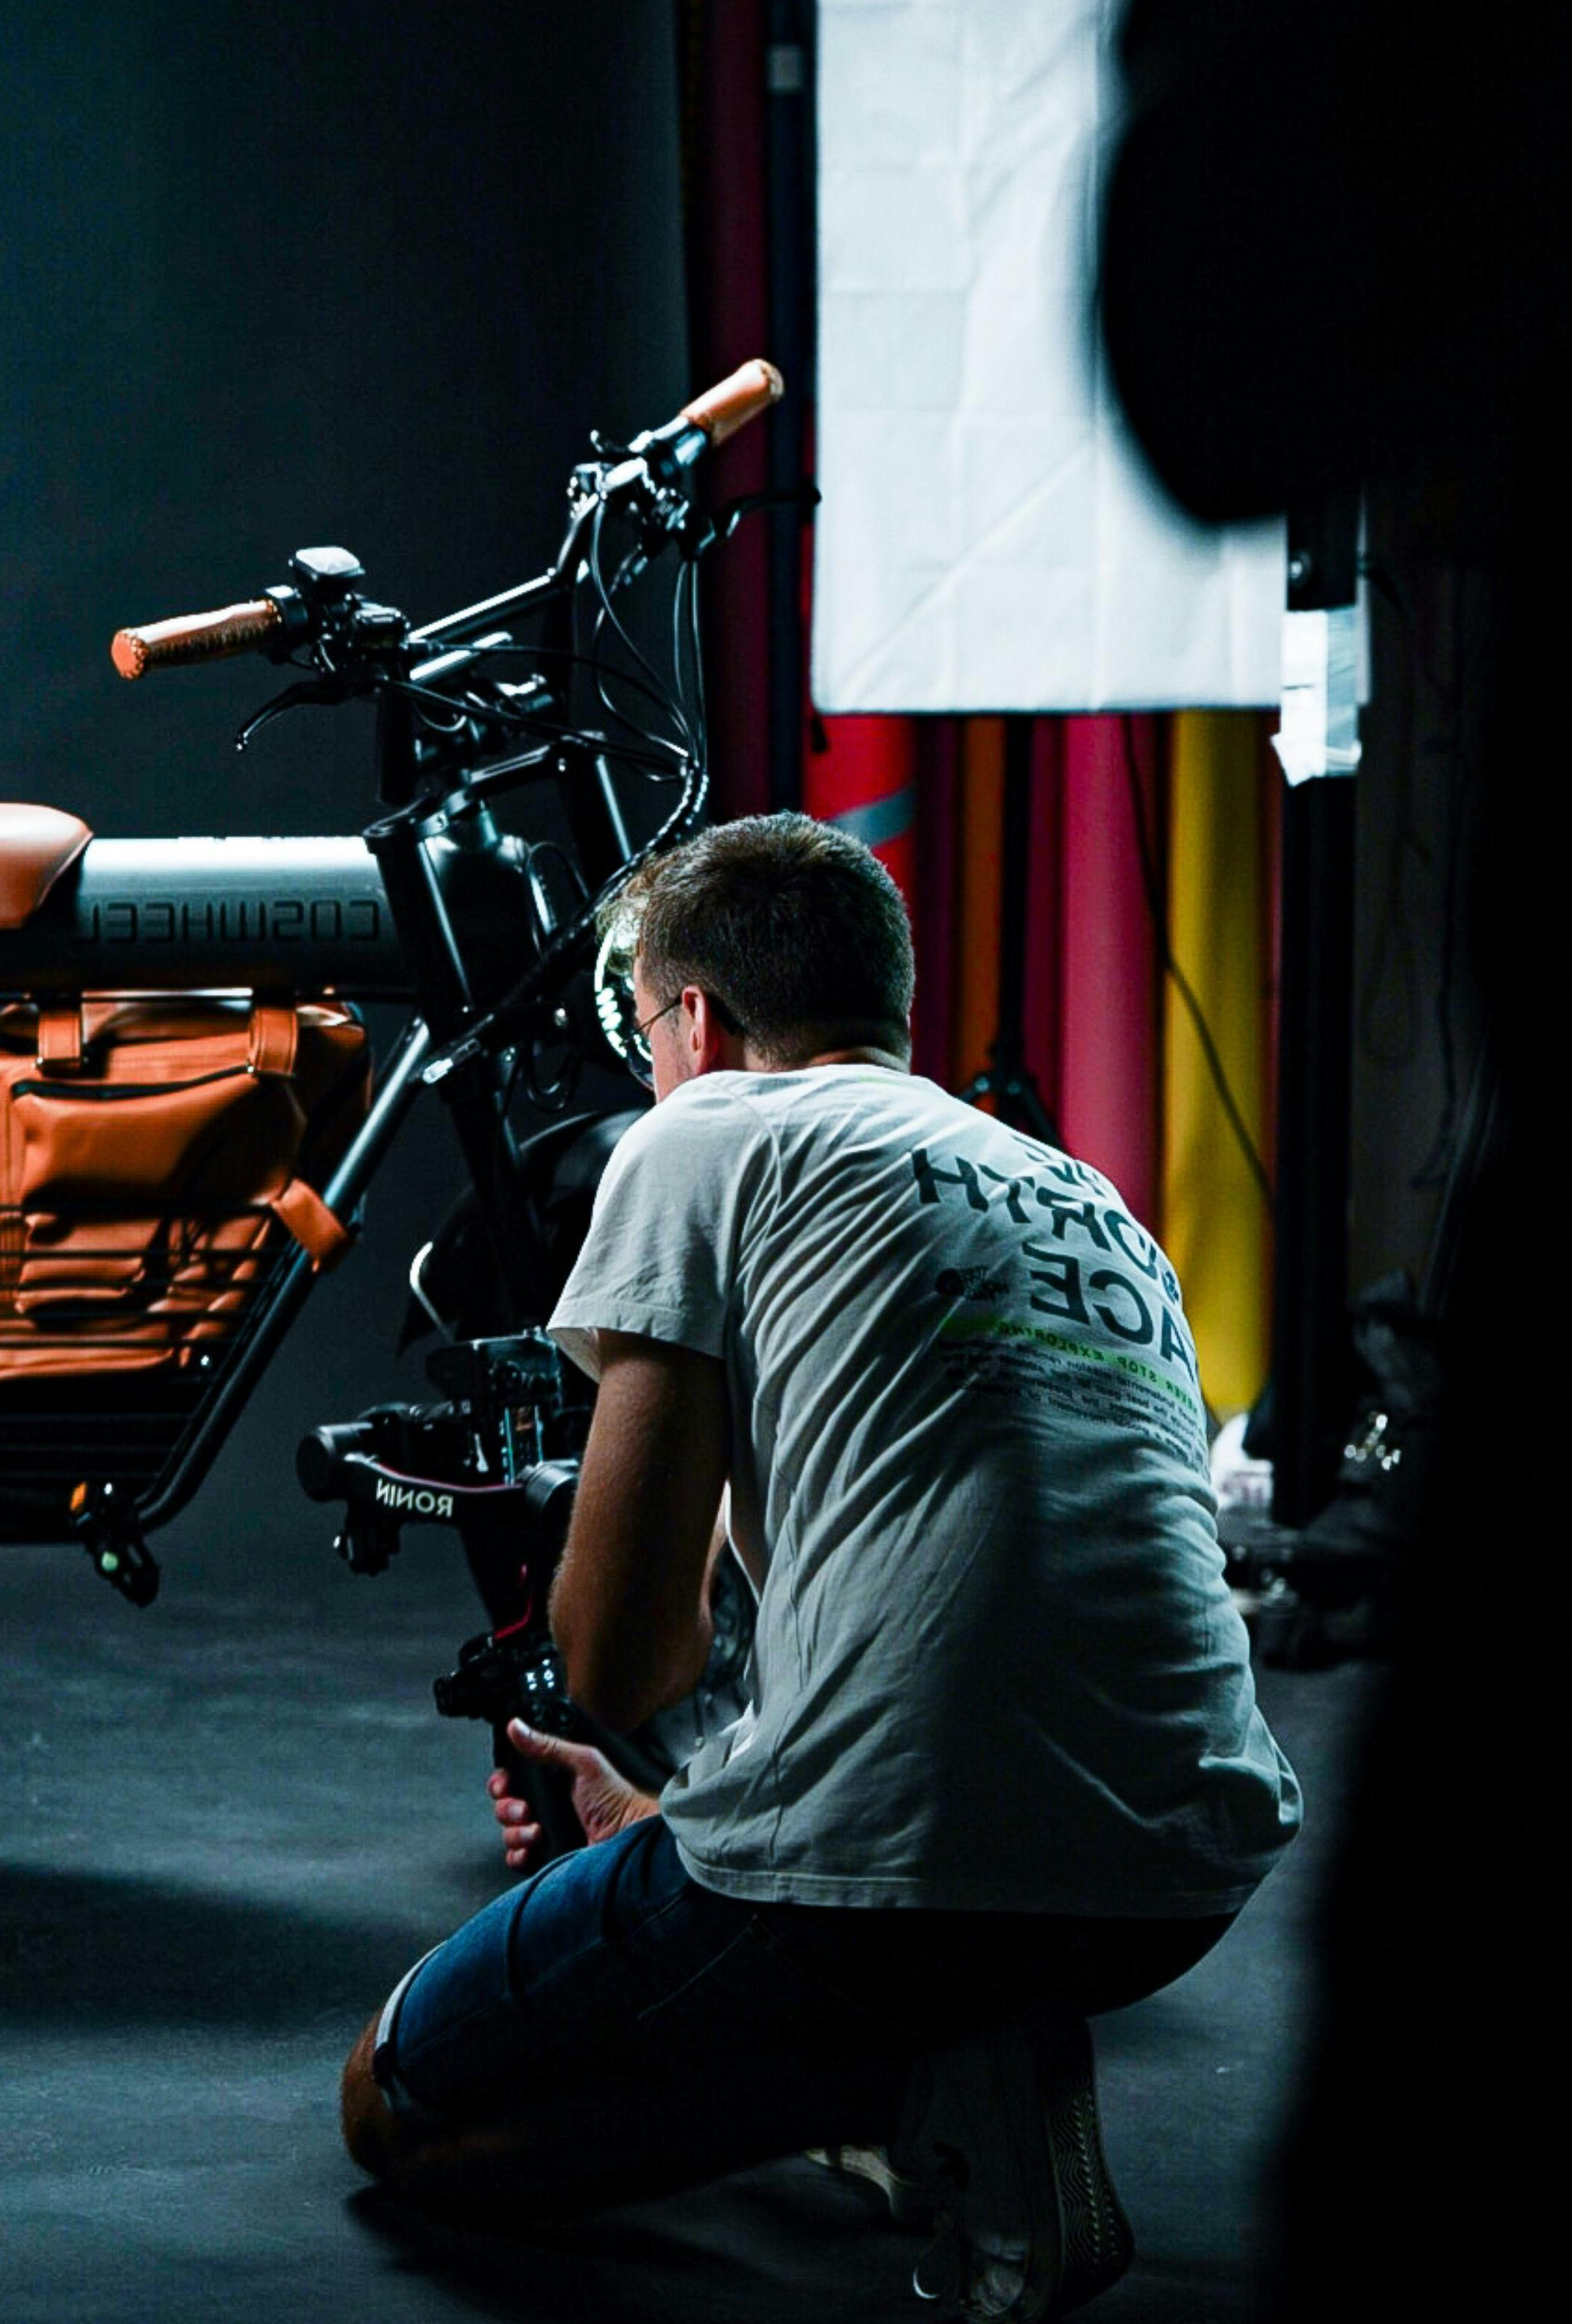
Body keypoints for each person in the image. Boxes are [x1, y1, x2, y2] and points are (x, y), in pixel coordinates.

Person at [341, 814, 1299, 2318]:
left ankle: (890, 2082)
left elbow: (617, 1660)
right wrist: (666, 1813)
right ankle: (934, 2041)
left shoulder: (702, 1131)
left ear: (698, 1021)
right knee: (756, 1866)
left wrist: (640, 1801)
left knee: (396, 2099)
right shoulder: (1087, 1199)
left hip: (891, 1887)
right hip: (1176, 1872)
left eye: (646, 1030)